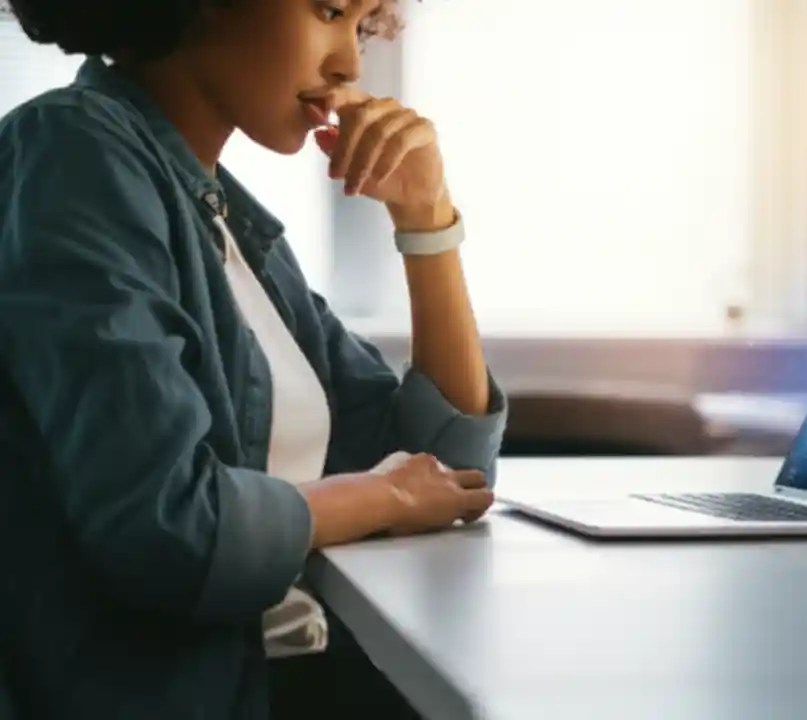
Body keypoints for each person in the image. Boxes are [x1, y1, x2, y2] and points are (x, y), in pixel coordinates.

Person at [0, 1, 509, 717]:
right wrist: (385, 496)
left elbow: (450, 476)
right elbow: (166, 529)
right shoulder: (73, 151)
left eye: (362, 25)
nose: (349, 64)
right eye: (329, 10)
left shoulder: (224, 218)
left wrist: (427, 217)